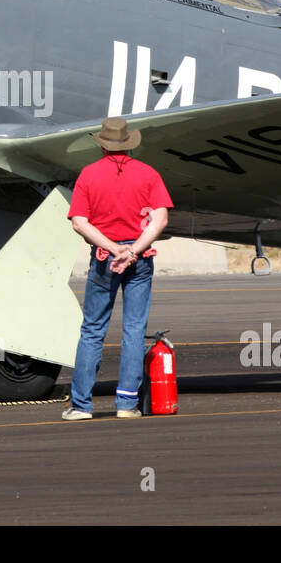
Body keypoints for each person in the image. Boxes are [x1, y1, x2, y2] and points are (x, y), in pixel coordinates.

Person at [63, 117, 173, 419]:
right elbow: (160, 220)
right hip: (139, 258)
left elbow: (79, 222)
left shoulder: (88, 175)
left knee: (92, 330)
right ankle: (126, 404)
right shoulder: (148, 174)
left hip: (103, 257)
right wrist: (133, 251)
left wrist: (113, 249)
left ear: (102, 144)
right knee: (134, 330)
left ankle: (81, 406)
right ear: (130, 144)